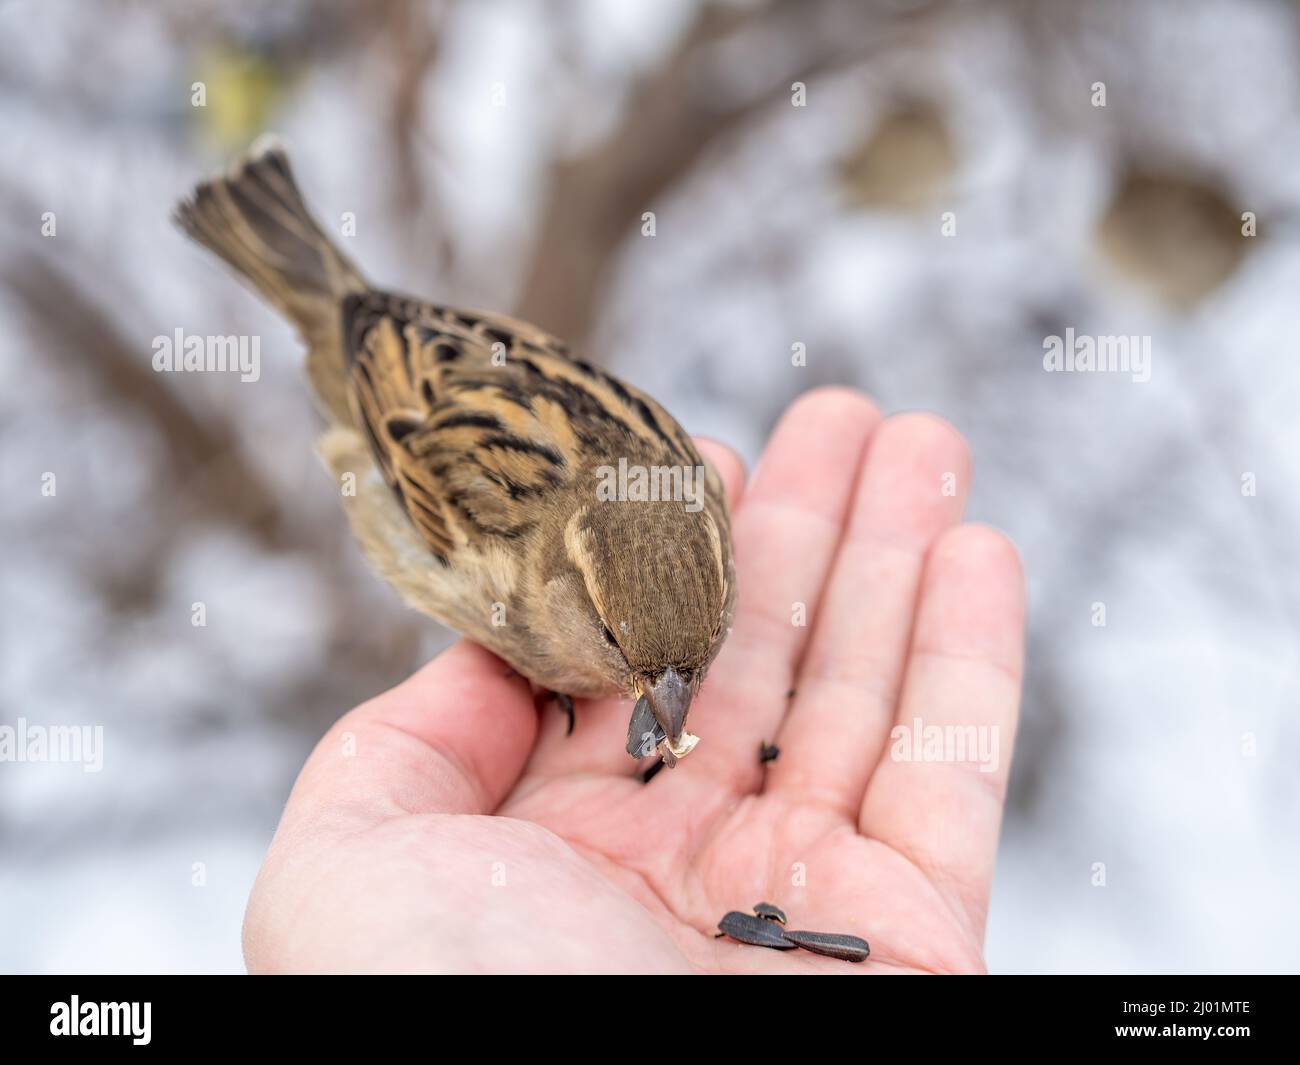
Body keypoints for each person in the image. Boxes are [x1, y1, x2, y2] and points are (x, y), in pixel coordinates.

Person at [241, 389, 1025, 973]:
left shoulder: (690, 500)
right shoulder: (512, 560)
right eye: (627, 647)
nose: (675, 703)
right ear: (568, 593)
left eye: (704, 645)